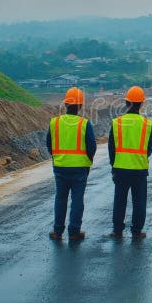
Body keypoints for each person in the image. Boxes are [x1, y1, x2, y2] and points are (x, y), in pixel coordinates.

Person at [46, 87, 96, 242]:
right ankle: (74, 231)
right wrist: (87, 161)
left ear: (66, 104)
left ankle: (58, 231)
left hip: (60, 167)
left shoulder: (55, 122)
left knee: (60, 198)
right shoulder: (84, 124)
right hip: (80, 168)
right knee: (77, 199)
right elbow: (91, 147)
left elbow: (49, 144)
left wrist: (57, 158)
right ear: (80, 106)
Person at [108, 85, 152, 239]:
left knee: (119, 200)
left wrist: (113, 166)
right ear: (141, 104)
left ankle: (117, 230)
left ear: (127, 103)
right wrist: (141, 156)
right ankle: (137, 231)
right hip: (139, 169)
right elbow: (150, 147)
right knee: (139, 201)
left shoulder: (117, 123)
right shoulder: (147, 124)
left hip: (120, 168)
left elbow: (111, 148)